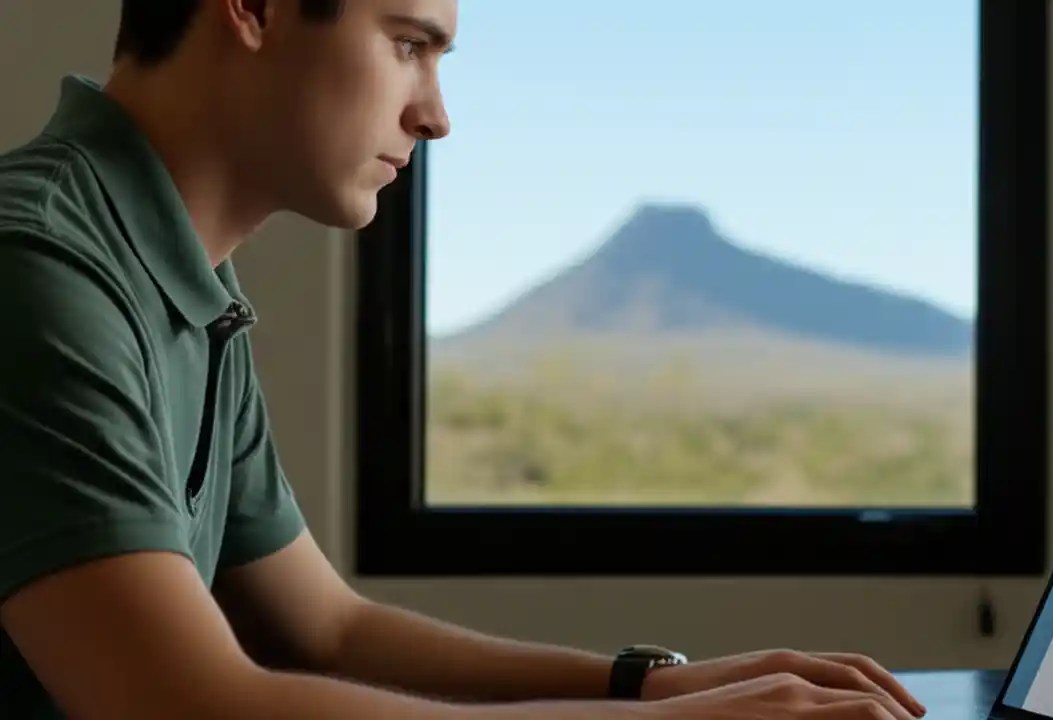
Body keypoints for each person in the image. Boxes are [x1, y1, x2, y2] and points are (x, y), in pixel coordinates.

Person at [0, 1, 928, 718]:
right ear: (253, 8)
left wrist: (654, 688)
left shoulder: (181, 284)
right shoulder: (40, 269)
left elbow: (326, 629)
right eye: (409, 44)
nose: (436, 116)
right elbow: (185, 707)